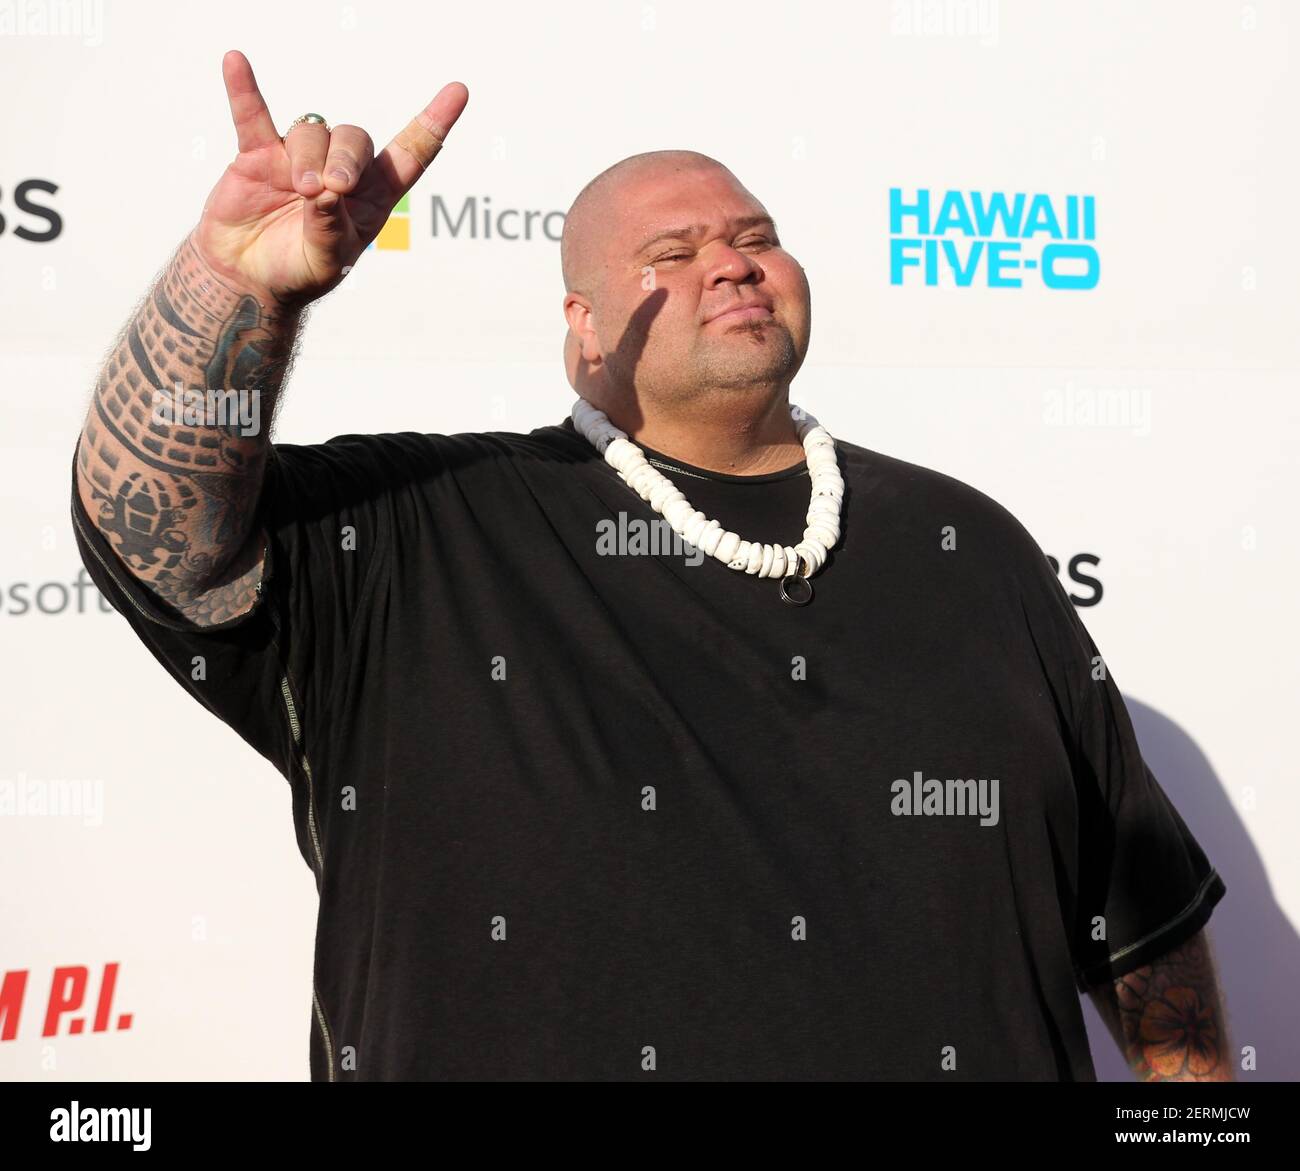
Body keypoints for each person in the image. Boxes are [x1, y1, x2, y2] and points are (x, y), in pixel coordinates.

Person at [71, 50, 1229, 1081]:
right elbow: (159, 523)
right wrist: (239, 285)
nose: (732, 264)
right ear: (580, 325)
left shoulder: (969, 547)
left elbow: (1143, 933)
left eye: (755, 237)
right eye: (673, 253)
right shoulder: (418, 532)